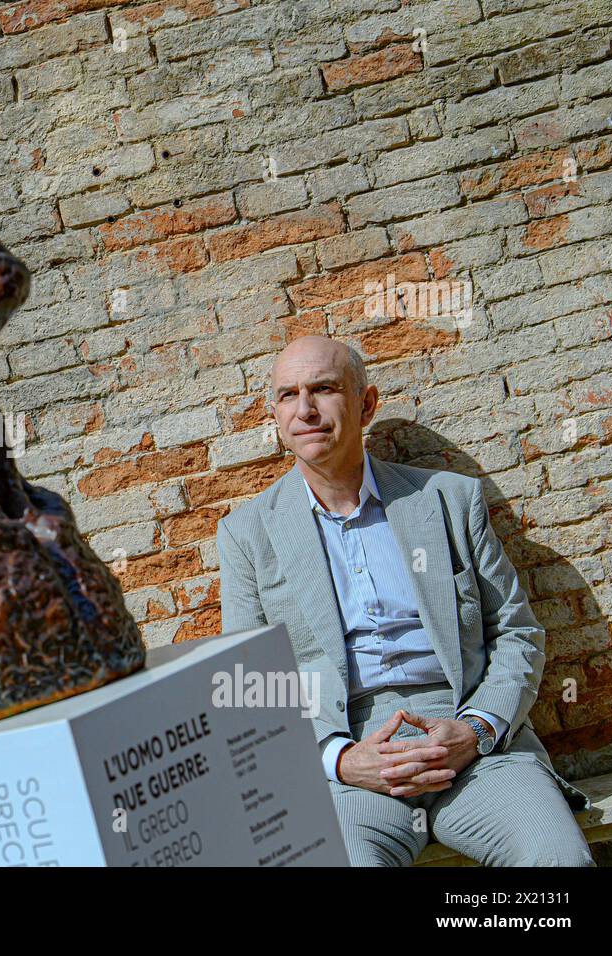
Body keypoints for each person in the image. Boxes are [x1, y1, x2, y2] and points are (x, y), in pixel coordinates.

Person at [216, 334, 592, 866]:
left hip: (473, 743)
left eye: (323, 389)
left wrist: (477, 729)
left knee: (559, 866)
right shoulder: (247, 534)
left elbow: (517, 632)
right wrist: (340, 759)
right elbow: (249, 682)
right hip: (350, 757)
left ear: (366, 403)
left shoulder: (448, 500)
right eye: (287, 395)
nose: (304, 410)